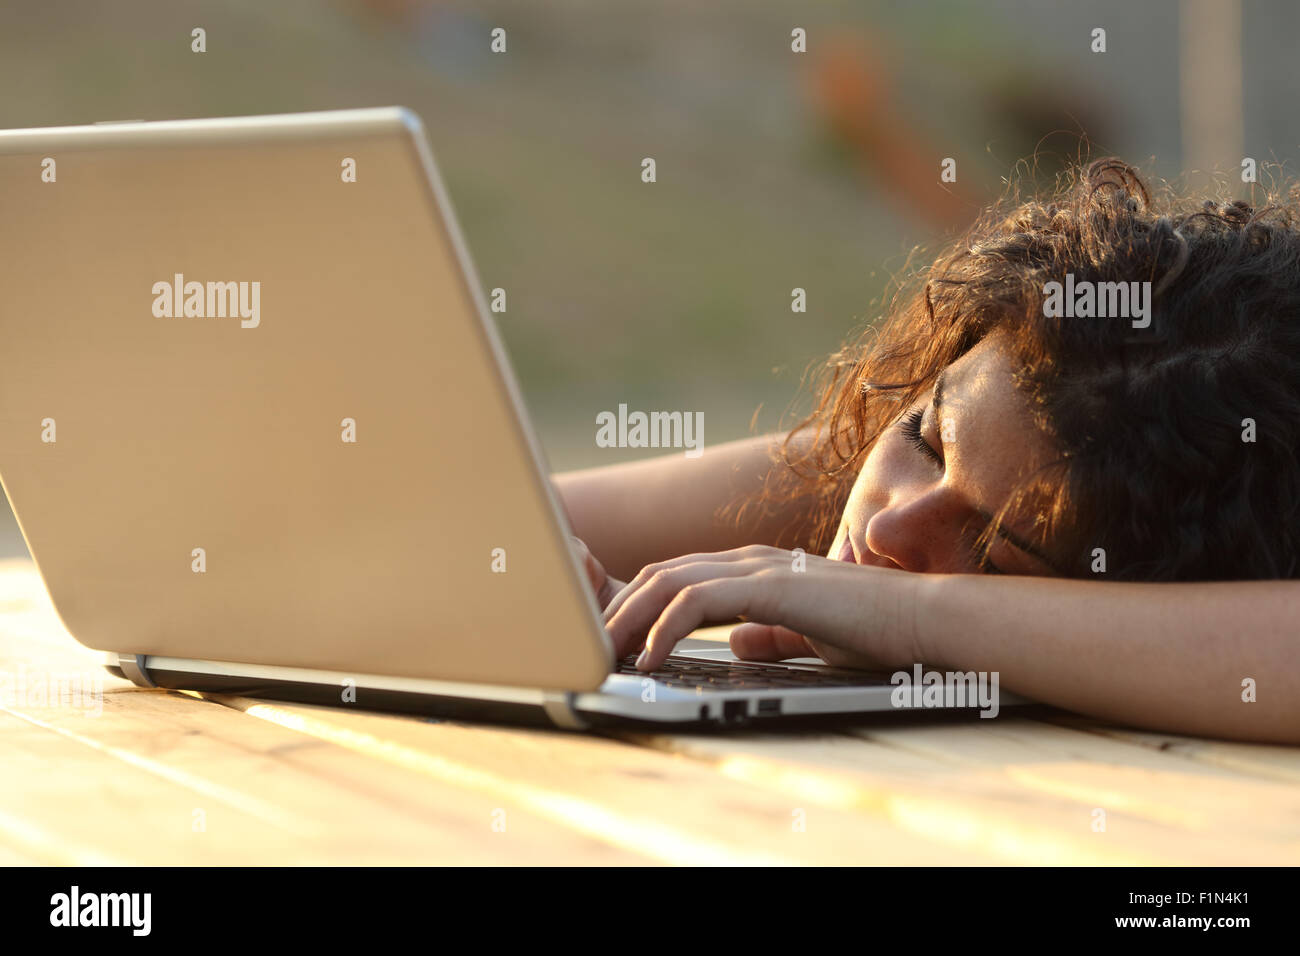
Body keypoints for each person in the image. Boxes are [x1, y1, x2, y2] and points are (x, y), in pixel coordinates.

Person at [556, 159, 1300, 744]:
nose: (887, 531)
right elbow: (495, 520)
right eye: (924, 438)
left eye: (989, 554)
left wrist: (911, 616)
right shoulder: (906, 459)